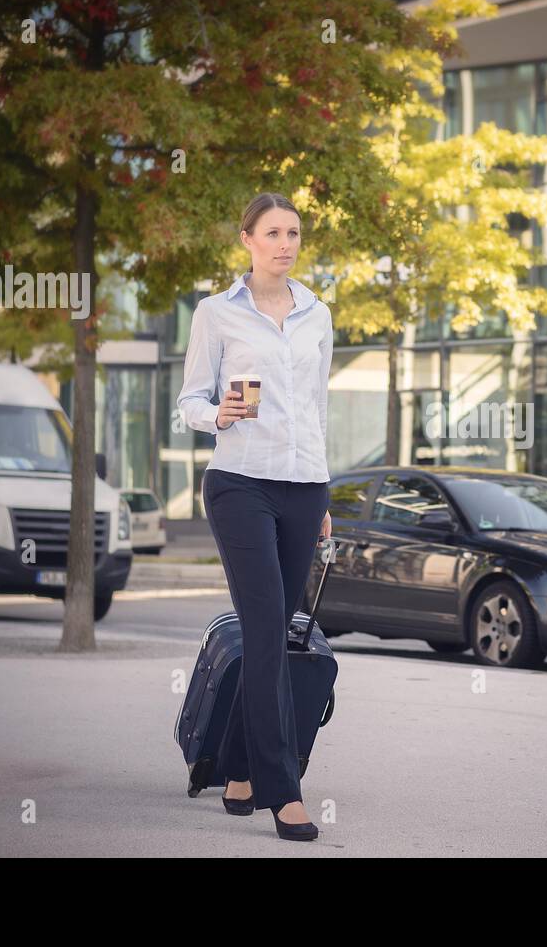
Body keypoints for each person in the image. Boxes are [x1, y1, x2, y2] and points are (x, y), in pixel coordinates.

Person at [176, 192, 333, 842]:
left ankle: (238, 767)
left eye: (293, 232)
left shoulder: (317, 314)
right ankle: (282, 790)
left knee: (276, 628)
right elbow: (189, 398)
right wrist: (220, 416)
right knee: (266, 626)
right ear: (247, 238)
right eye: (273, 232)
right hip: (240, 482)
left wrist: (323, 499)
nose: (286, 242)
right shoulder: (216, 313)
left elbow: (316, 408)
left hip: (302, 487)